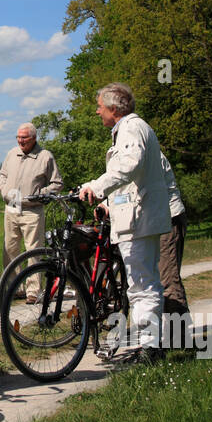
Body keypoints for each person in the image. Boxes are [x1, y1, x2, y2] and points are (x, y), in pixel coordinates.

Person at [77, 82, 171, 363]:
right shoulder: (131, 129)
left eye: (100, 107)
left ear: (114, 109)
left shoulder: (131, 128)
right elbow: (130, 182)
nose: (97, 112)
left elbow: (128, 167)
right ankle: (150, 345)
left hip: (139, 221)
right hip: (137, 218)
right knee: (142, 283)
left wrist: (96, 187)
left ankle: (150, 350)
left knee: (142, 285)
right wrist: (107, 204)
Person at [0, 122, 63, 302]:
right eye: (18, 137)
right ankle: (14, 287)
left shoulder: (45, 157)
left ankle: (33, 291)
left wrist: (38, 195)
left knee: (33, 250)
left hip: (32, 211)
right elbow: (2, 176)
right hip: (11, 208)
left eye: (24, 137)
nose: (20, 141)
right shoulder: (12, 154)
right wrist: (4, 191)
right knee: (10, 249)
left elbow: (57, 184)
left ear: (34, 138)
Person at [159, 152, 190, 318]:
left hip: (168, 218)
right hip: (155, 220)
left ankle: (179, 338)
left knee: (168, 279)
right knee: (162, 279)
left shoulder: (141, 145)